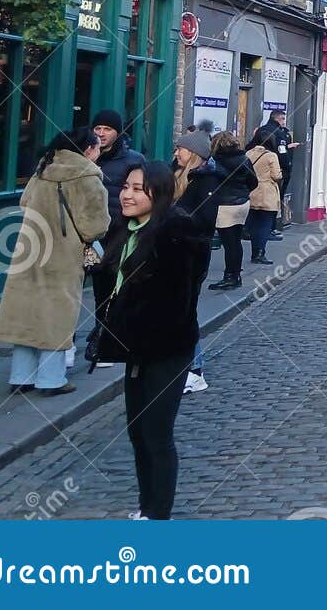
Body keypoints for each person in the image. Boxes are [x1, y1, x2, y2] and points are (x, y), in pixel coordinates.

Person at [88, 161, 212, 520]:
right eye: (125, 186)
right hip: (133, 346)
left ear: (158, 194)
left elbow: (180, 299)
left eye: (138, 189)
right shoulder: (123, 230)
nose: (126, 195)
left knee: (157, 433)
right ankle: (146, 508)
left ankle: (158, 515)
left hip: (166, 349)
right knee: (137, 432)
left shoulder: (176, 234)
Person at [0, 130, 109, 396]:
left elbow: (24, 201)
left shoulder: (44, 167)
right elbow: (95, 227)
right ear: (89, 149)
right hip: (63, 255)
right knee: (57, 314)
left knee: (26, 311)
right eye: (97, 147)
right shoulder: (88, 176)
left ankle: (21, 376)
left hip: (31, 249)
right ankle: (51, 379)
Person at [172, 130, 226, 396]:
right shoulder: (183, 176)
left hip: (193, 254)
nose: (176, 154)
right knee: (178, 312)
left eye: (180, 149)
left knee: (186, 311)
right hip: (176, 251)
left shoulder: (205, 183)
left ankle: (195, 369)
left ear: (193, 153)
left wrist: (174, 217)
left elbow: (203, 221)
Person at [207, 132, 256, 292]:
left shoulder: (216, 161)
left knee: (229, 243)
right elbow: (253, 181)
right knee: (235, 241)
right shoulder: (244, 159)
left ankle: (230, 277)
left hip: (225, 205)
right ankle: (236, 275)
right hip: (242, 203)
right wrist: (243, 191)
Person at [92, 109, 145, 223]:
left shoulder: (134, 159)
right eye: (97, 128)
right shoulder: (83, 157)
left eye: (107, 129)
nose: (101, 133)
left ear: (118, 132)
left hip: (119, 226)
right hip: (88, 225)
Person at [243, 128, 282, 266]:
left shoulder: (248, 153)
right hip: (267, 192)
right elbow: (277, 175)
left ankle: (254, 252)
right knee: (265, 225)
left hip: (252, 191)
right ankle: (260, 253)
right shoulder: (271, 156)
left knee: (253, 224)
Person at [262, 110, 299, 236]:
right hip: (276, 171)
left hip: (261, 173)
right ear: (276, 119)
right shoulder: (278, 133)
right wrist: (287, 166)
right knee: (275, 200)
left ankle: (265, 228)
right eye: (282, 119)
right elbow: (282, 154)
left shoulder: (263, 130)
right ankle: (271, 228)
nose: (284, 122)